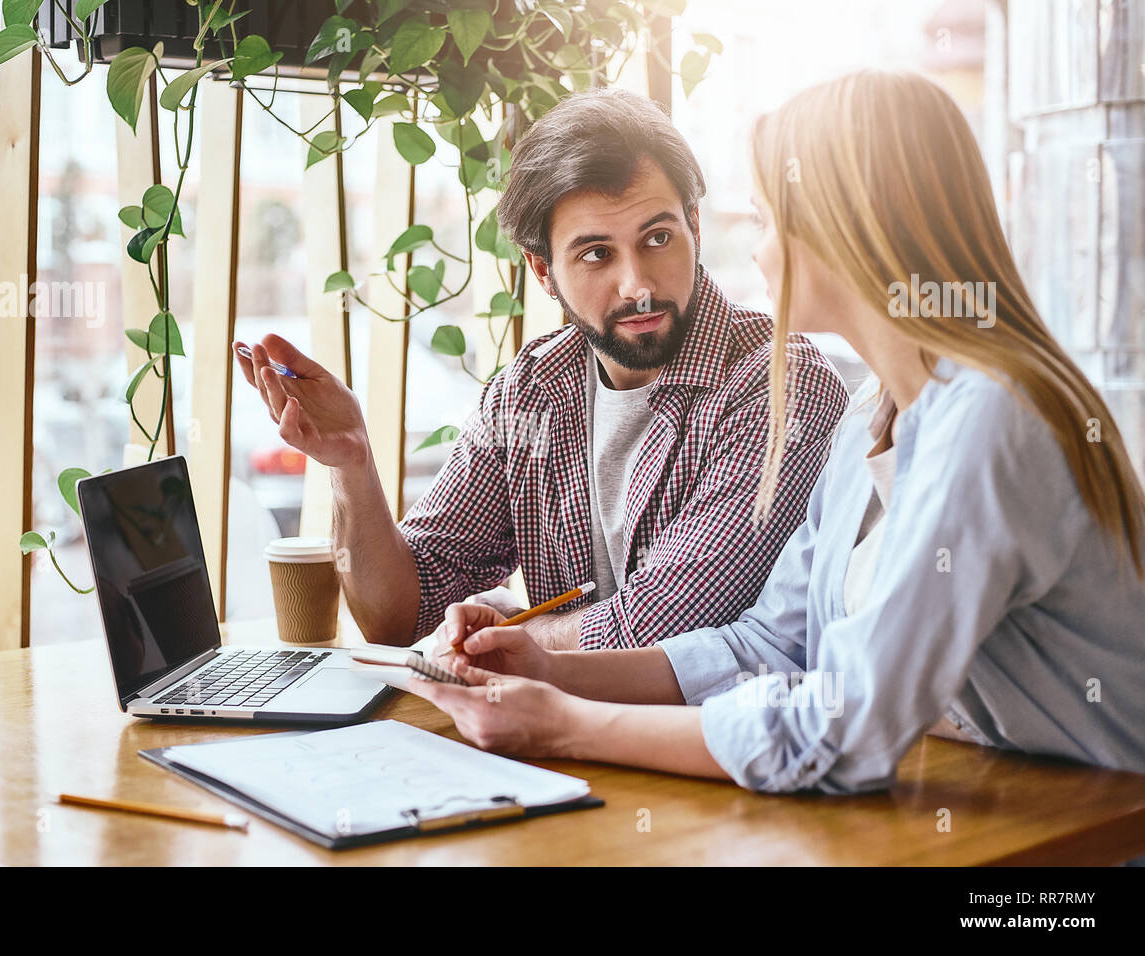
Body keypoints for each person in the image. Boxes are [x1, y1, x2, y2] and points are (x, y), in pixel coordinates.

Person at [410, 70, 1145, 792]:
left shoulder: (990, 421)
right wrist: (552, 671)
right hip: (1012, 807)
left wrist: (563, 724)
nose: (753, 250)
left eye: (765, 219)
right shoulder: (874, 417)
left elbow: (844, 728)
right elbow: (769, 645)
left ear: (844, 227)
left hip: (1097, 836)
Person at [234, 88, 847, 651]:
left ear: (693, 225)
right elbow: (399, 617)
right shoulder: (529, 394)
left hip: (717, 754)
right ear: (544, 272)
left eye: (658, 238)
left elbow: (666, 627)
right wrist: (353, 463)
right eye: (596, 254)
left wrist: (518, 638)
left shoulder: (778, 384)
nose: (636, 285)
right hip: (561, 747)